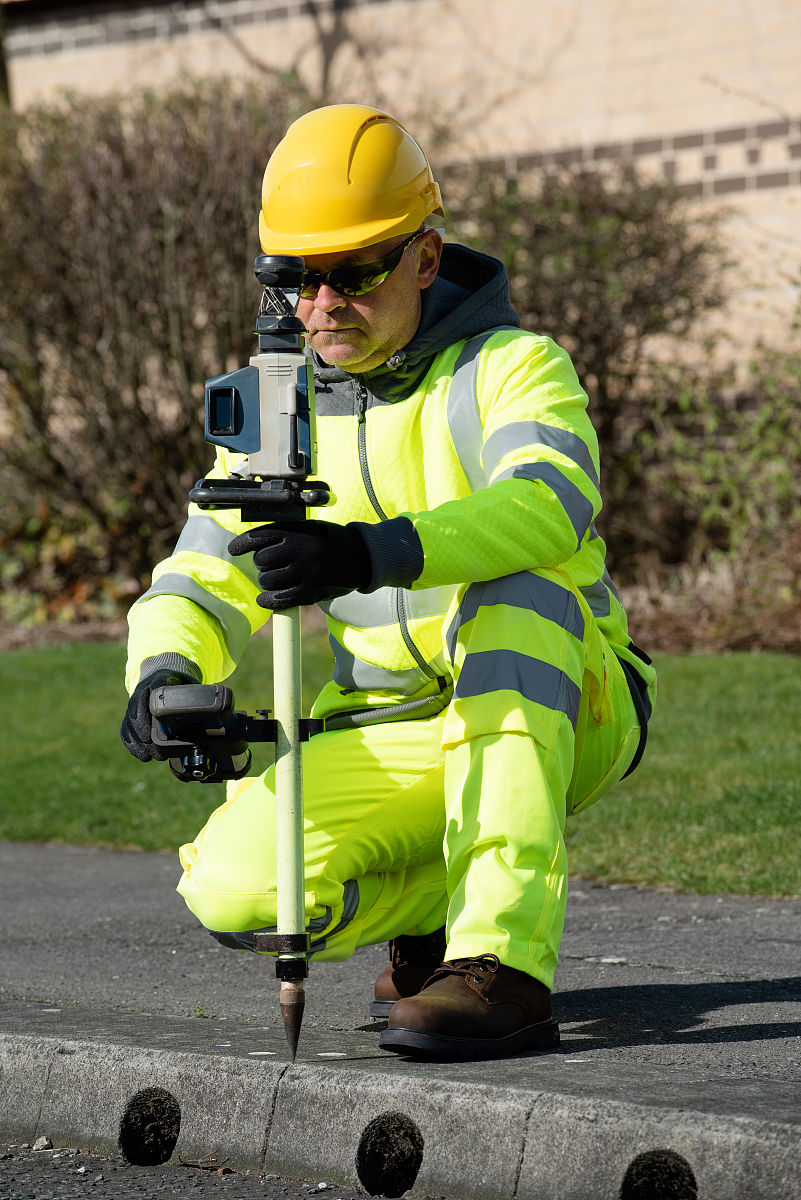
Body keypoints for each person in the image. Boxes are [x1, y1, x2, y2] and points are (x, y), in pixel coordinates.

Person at [121, 103, 656, 1060]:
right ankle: (440, 923)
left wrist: (370, 551)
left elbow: (548, 503)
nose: (322, 305)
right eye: (294, 278)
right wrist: (162, 674)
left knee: (518, 591)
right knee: (237, 891)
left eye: (355, 272)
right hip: (386, 722)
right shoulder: (274, 406)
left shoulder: (514, 367)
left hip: (564, 702)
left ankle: (501, 966)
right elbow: (202, 574)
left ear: (424, 257)